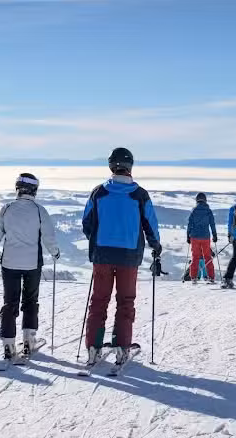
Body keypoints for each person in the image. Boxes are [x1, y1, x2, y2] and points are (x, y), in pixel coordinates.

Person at [82, 147, 161, 367]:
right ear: (130, 167)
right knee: (125, 302)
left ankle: (92, 348)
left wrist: (96, 240)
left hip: (102, 254)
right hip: (128, 256)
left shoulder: (99, 192)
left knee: (99, 301)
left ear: (111, 166)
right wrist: (156, 246)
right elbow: (150, 225)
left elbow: (86, 222)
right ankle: (121, 346)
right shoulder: (139, 194)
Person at [0, 173, 60, 361]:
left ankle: (8, 345)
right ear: (34, 190)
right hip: (32, 263)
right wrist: (55, 253)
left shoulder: (7, 208)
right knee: (30, 301)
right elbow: (48, 237)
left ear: (17, 188)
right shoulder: (39, 210)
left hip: (9, 263)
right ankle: (29, 341)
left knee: (9, 302)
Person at [186, 192, 217, 283]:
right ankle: (211, 277)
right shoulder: (208, 211)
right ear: (205, 200)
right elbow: (212, 224)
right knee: (207, 256)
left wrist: (188, 236)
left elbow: (189, 224)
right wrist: (214, 235)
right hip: (205, 237)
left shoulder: (194, 211)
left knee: (195, 257)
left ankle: (193, 277)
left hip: (194, 237)